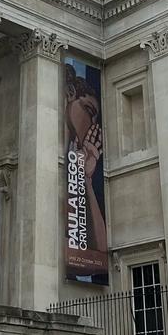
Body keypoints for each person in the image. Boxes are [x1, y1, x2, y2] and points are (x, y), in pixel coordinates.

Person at [64, 63, 108, 261]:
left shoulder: (77, 155)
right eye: (89, 111)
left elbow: (98, 253)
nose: (92, 125)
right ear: (70, 92)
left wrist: (86, 179)